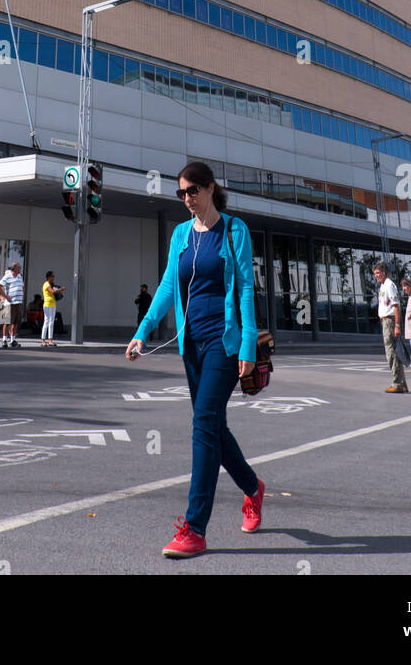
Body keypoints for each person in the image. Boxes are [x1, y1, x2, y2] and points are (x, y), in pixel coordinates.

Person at [125, 160, 263, 559]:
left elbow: (246, 290)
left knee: (202, 424)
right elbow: (169, 285)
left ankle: (194, 528)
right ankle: (253, 489)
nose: (186, 199)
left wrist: (249, 345)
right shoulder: (181, 234)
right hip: (192, 345)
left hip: (225, 342)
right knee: (215, 428)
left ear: (210, 188)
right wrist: (142, 331)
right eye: (181, 193)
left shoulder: (235, 230)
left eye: (192, 191)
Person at [373, 262, 407, 393]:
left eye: (378, 273)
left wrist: (397, 325)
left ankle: (397, 383)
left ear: (384, 272)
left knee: (391, 352)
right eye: (375, 273)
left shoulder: (389, 285)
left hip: (389, 321)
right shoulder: (383, 286)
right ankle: (402, 383)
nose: (376, 276)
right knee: (395, 353)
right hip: (385, 320)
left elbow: (396, 306)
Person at [41, 271, 64, 346]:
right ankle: (43, 340)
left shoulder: (51, 284)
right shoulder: (46, 284)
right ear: (49, 277)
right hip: (47, 304)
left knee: (51, 322)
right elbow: (52, 291)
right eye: (52, 276)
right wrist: (61, 289)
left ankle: (50, 339)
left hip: (53, 304)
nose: (53, 277)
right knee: (46, 321)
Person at [7, 262, 24, 348]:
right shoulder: (8, 276)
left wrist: (21, 294)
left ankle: (13, 340)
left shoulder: (20, 276)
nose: (20, 268)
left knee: (15, 322)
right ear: (15, 268)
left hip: (18, 302)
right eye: (19, 267)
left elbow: (22, 286)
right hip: (10, 302)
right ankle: (4, 340)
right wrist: (5, 297)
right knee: (7, 322)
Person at [0, 266, 14, 348]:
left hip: (7, 303)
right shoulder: (3, 282)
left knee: (8, 321)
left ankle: (10, 336)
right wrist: (2, 299)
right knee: (0, 319)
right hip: (2, 302)